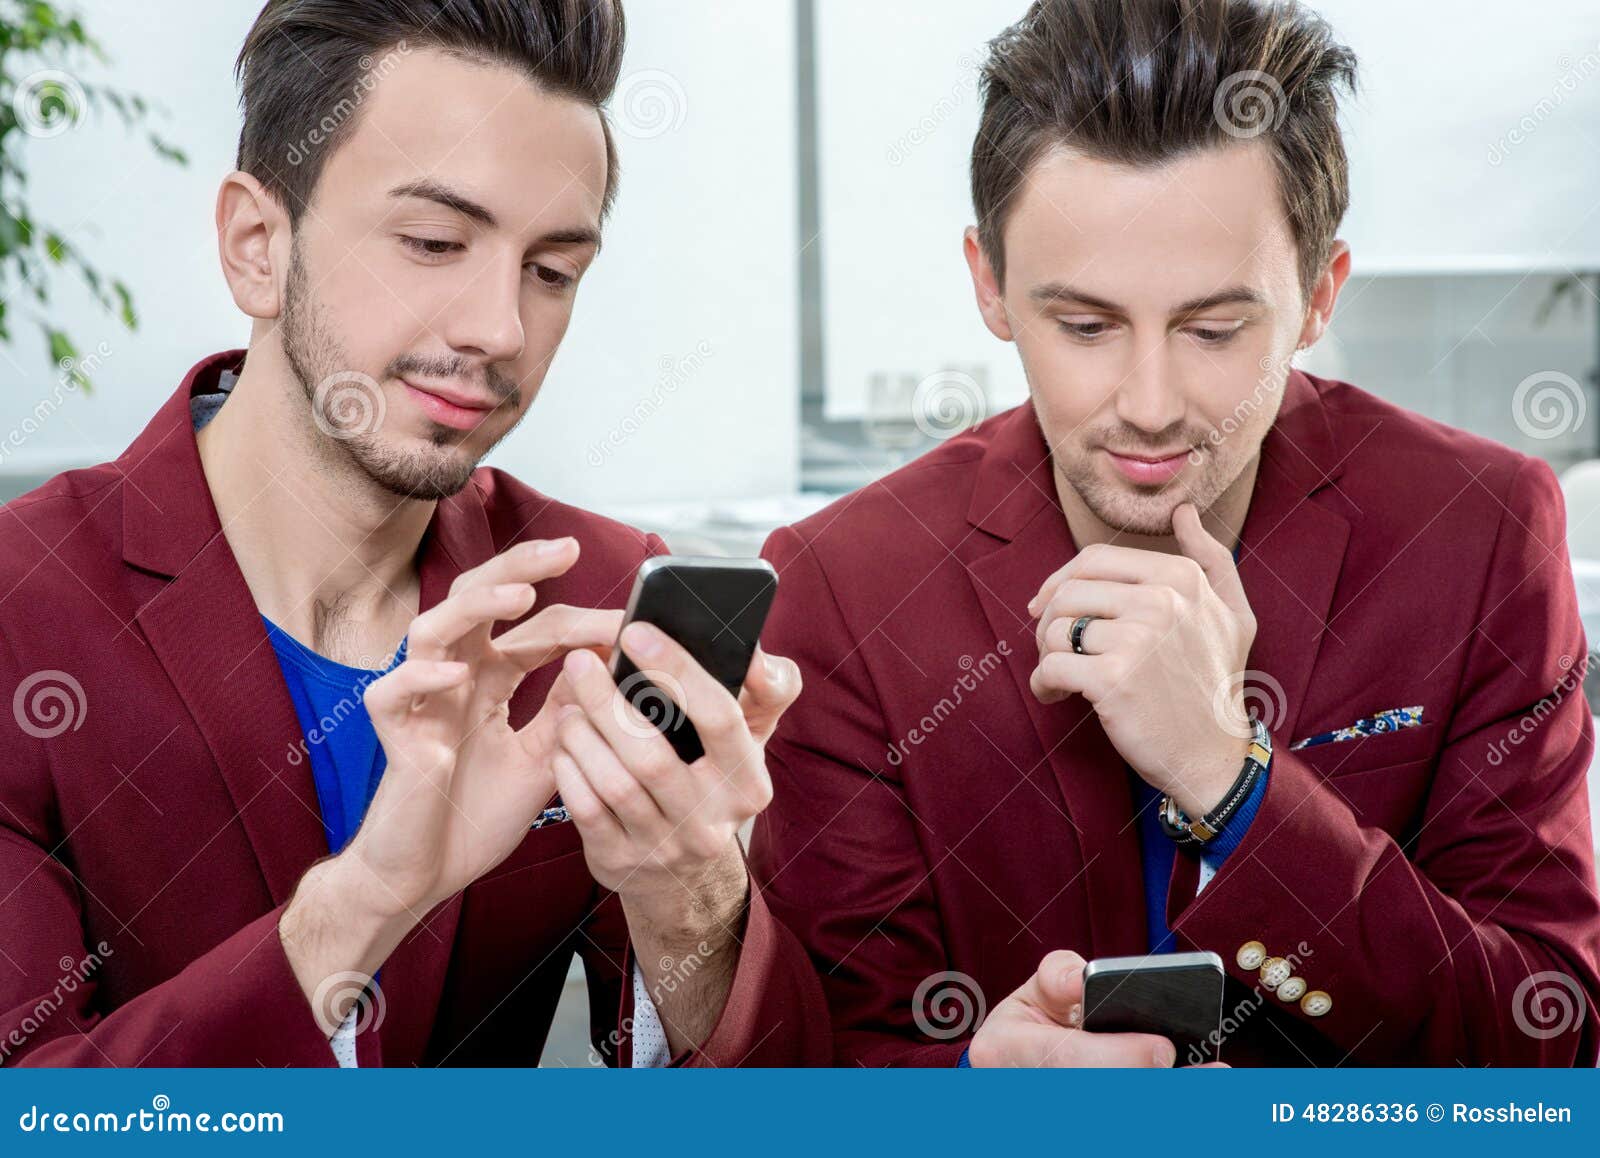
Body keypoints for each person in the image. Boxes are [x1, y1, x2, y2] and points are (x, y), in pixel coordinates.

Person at [748, 0, 1600, 1067]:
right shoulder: (842, 584)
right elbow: (817, 1068)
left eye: (1212, 329)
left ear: (1318, 296)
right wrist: (971, 1096)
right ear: (989, 286)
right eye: (1086, 326)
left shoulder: (1477, 533)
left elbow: (1545, 1044)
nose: (1149, 404)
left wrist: (1230, 778)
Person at [0, 0, 827, 1067]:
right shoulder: (25, 611)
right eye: (434, 243)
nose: (499, 329)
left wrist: (695, 901)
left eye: (553, 272)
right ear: (258, 246)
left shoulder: (597, 602)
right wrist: (366, 901)